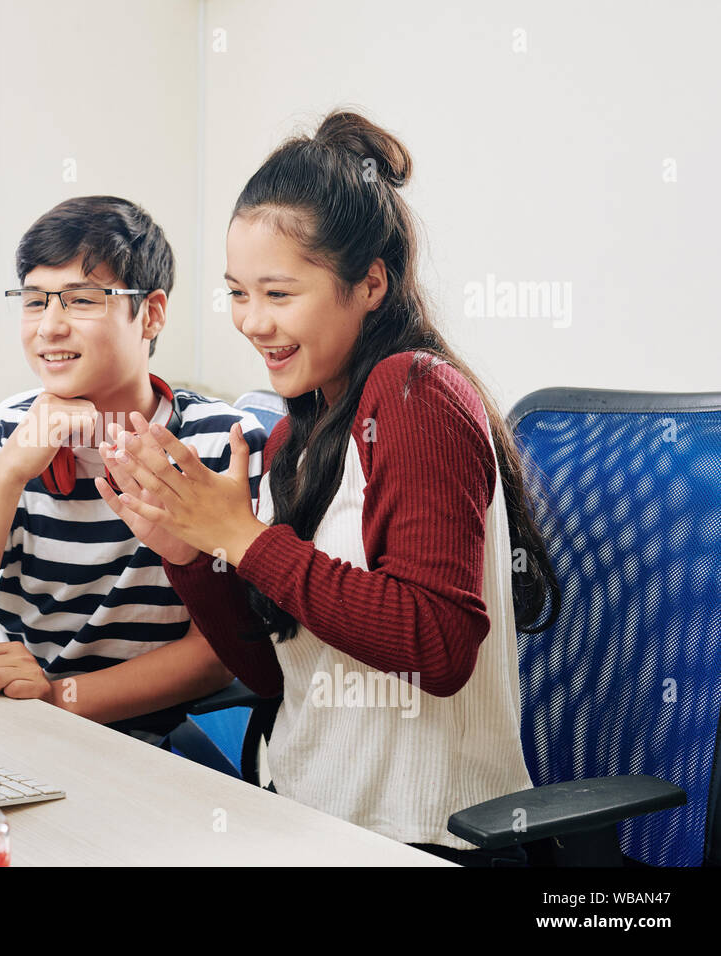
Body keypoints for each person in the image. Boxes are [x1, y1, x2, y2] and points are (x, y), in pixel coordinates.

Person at [96, 111, 559, 864]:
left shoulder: (416, 395)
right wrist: (194, 555)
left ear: (369, 282)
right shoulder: (297, 432)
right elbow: (269, 673)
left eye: (279, 294)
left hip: (421, 838)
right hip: (304, 822)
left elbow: (438, 646)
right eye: (238, 294)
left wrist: (242, 538)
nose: (252, 321)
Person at [0, 195, 268, 734]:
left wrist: (56, 699)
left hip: (144, 738)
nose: (49, 328)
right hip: (16, 722)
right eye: (33, 301)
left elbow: (218, 654)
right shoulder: (6, 429)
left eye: (81, 300)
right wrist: (8, 471)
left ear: (150, 314)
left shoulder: (222, 441)